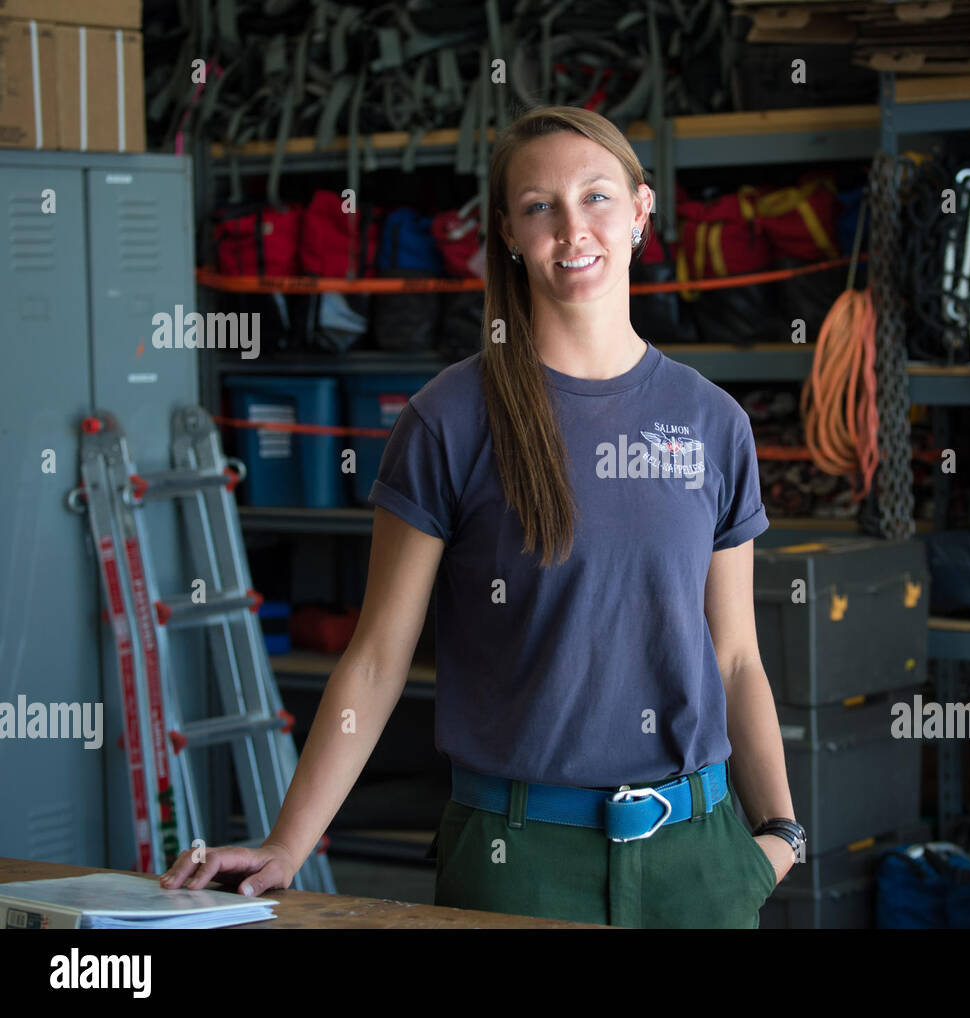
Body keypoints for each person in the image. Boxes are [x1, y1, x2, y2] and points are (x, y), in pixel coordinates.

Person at [160, 104, 803, 929]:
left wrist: (778, 837)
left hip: (700, 861)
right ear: (507, 231)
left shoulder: (714, 421)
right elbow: (377, 658)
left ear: (642, 210)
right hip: (521, 861)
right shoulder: (449, 419)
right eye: (540, 206)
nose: (573, 228)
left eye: (597, 197)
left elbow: (737, 657)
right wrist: (290, 842)